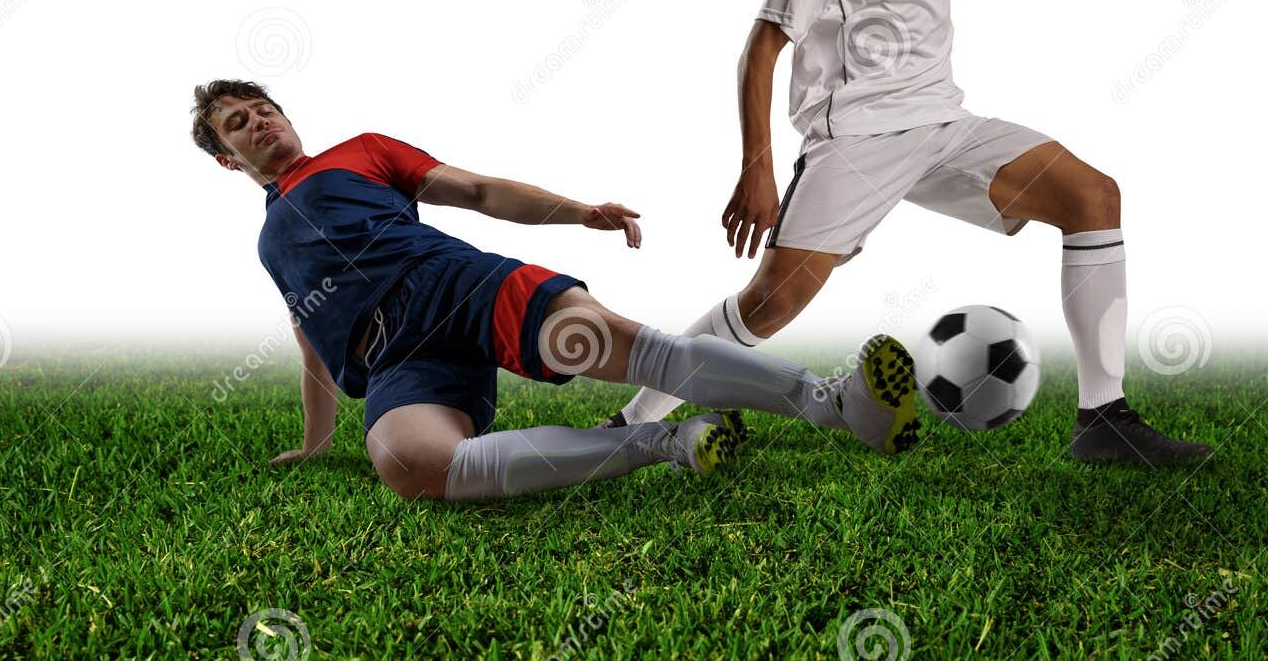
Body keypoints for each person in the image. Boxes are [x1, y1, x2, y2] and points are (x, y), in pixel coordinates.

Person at [602, 0, 1211, 469]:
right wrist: (757, 168)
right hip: (855, 142)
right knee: (769, 306)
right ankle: (632, 423)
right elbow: (760, 51)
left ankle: (1102, 418)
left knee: (1093, 196)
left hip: (942, 125)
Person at [189, 79, 920, 502]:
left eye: (263, 109)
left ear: (284, 115)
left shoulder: (360, 153)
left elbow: (475, 190)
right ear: (228, 159)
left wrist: (576, 211)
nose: (259, 123)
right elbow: (307, 335)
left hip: (451, 282)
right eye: (238, 125)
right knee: (410, 464)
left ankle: (838, 404)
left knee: (607, 341)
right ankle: (665, 442)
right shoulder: (269, 242)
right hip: (395, 360)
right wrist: (317, 443)